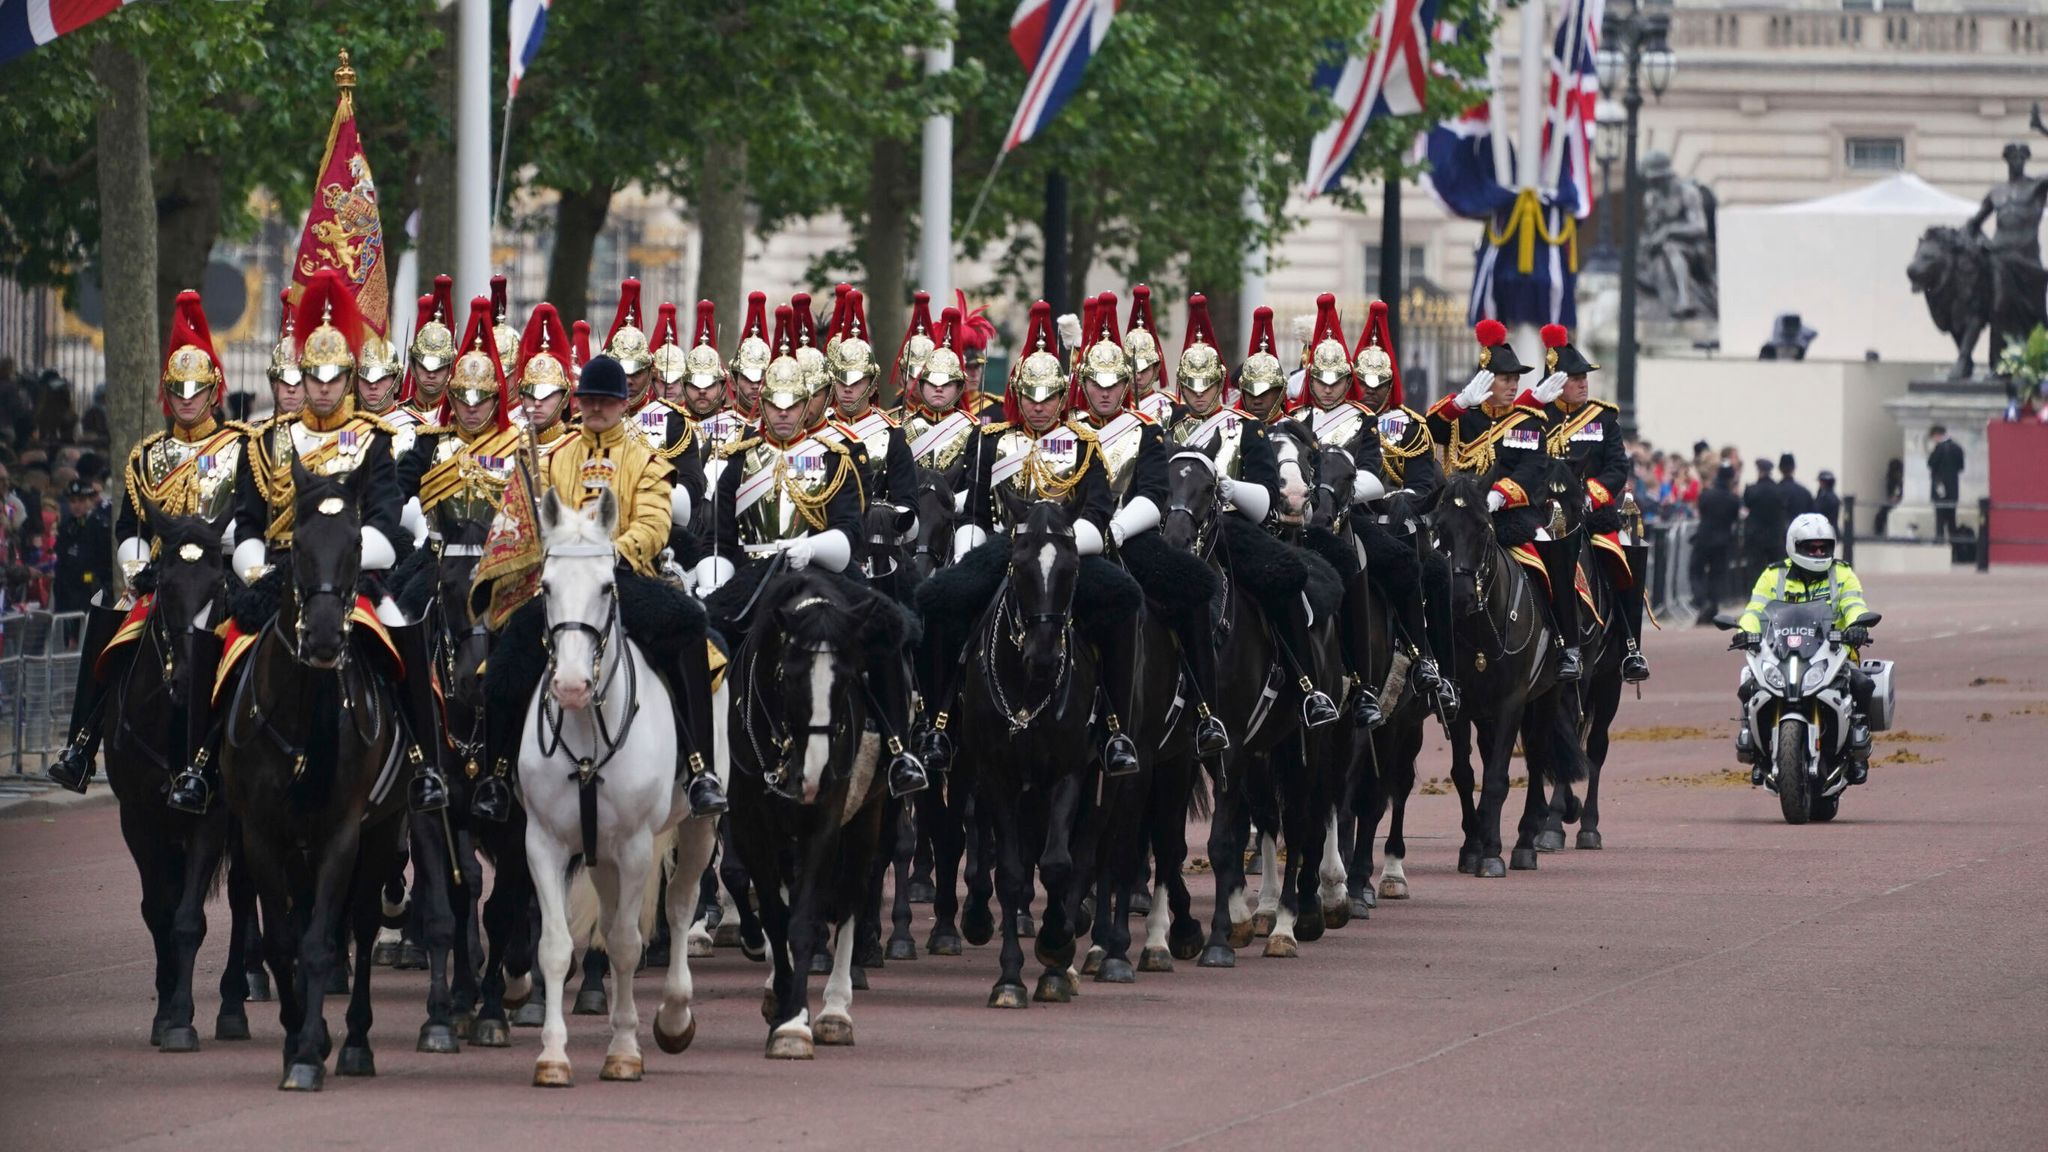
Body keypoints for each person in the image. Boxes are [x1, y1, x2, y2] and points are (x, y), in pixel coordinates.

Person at [231, 270, 447, 814]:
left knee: (406, 635)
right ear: (299, 377)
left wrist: (344, 567)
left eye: (334, 376)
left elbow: (386, 522)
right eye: (313, 376)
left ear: (349, 377)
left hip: (351, 579)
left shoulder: (375, 442)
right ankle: (203, 765)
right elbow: (247, 523)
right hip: (276, 579)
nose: (323, 386)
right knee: (213, 647)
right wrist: (259, 571)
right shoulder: (264, 443)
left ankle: (423, 764)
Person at [912, 302, 1147, 780]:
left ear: (1063, 396)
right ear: (1018, 394)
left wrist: (1066, 547)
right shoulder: (991, 440)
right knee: (941, 599)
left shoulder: (1085, 443)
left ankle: (1115, 726)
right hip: (1003, 547)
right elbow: (976, 510)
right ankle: (939, 721)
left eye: (1049, 396)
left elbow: (1099, 510)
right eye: (1031, 396)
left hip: (1066, 552)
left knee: (1123, 600)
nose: (1039, 405)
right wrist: (966, 551)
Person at [487, 353, 728, 816]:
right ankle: (496, 772)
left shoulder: (648, 462)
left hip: (624, 578)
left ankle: (700, 769)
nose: (596, 409)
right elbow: (534, 522)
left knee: (690, 629)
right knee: (511, 639)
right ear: (577, 403)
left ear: (624, 405)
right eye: (589, 400)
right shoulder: (554, 460)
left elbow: (655, 525)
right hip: (562, 583)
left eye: (606, 401)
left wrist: (614, 551)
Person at [695, 328, 926, 800]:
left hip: (821, 571)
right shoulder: (739, 460)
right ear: (762, 405)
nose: (781, 414)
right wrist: (713, 577)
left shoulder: (835, 457)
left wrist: (814, 547)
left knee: (885, 627)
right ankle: (698, 760)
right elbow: (716, 536)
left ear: (807, 406)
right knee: (702, 640)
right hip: (754, 577)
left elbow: (849, 533)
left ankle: (899, 748)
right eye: (773, 405)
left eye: (791, 405)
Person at [48, 290, 250, 807]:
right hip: (160, 576)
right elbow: (128, 526)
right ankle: (82, 743)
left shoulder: (240, 449)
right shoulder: (146, 456)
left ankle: (220, 757)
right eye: (177, 391)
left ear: (212, 392)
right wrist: (136, 564)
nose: (186, 400)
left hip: (221, 574)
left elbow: (251, 519)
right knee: (109, 626)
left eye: (195, 391)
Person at [1428, 319, 1581, 680]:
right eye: (1505, 379)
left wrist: (1498, 496)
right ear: (1485, 379)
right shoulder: (1461, 419)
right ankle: (1423, 649)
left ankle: (1566, 644)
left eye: (1516, 379)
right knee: (1427, 564)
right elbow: (1425, 430)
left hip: (1511, 517)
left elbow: (1531, 470)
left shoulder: (1527, 421)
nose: (1513, 386)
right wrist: (1459, 403)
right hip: (1462, 520)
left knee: (1553, 554)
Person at [1351, 300, 1459, 718]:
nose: (1373, 389)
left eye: (1380, 382)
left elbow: (1422, 482)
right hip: (1356, 522)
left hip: (1400, 527)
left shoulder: (1407, 423)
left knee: (1437, 574)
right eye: (1365, 381)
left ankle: (1438, 670)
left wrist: (1399, 501)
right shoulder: (1341, 420)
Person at [1535, 324, 1649, 682]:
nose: (1583, 383)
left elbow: (1618, 468)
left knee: (1621, 556)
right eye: (1575, 377)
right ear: (1555, 380)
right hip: (1547, 514)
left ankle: (1630, 644)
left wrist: (1590, 495)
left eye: (1585, 376)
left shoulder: (1603, 418)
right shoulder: (1536, 419)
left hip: (1592, 513)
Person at [1731, 513, 1879, 785]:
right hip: (1782, 652)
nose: (1819, 552)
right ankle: (1756, 749)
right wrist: (1745, 631)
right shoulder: (1773, 575)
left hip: (1834, 651)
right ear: (1794, 546)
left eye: (1824, 547)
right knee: (1748, 684)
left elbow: (1855, 604)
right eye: (1811, 547)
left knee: (1863, 684)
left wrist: (1858, 625)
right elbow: (1754, 609)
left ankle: (1859, 753)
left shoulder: (1842, 573)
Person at [1691, 465, 1740, 624]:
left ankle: (1701, 600)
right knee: (1717, 575)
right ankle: (1712, 605)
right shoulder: (1733, 500)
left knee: (1696, 570)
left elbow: (1702, 511)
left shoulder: (1706, 495)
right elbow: (1734, 519)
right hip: (1723, 542)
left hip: (1704, 539)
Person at [53, 479, 109, 613]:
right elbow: (61, 557)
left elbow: (103, 560)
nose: (76, 506)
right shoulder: (66, 527)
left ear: (91, 501)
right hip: (66, 590)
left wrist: (92, 579)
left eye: (81, 500)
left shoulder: (100, 526)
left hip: (89, 588)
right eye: (73, 501)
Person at [1125, 284, 1177, 424]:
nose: (1137, 376)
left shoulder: (1173, 407)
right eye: (1132, 368)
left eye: (1144, 369)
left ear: (1156, 369)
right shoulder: (1112, 409)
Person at [1741, 456, 1783, 583]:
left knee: (1755, 570)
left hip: (1756, 537)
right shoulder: (1778, 490)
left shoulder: (1751, 490)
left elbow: (1745, 508)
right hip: (1774, 537)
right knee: (1776, 570)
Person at [1927, 425, 1965, 541]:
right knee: (1951, 520)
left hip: (1939, 489)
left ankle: (1940, 545)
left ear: (1936, 435)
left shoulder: (1938, 449)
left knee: (1940, 520)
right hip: (1953, 489)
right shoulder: (1957, 448)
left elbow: (1930, 464)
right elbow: (1961, 467)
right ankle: (1954, 547)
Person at [1777, 453, 1813, 519]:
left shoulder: (1774, 491)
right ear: (1794, 468)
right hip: (1800, 528)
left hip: (1779, 529)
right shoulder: (1805, 492)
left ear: (1780, 468)